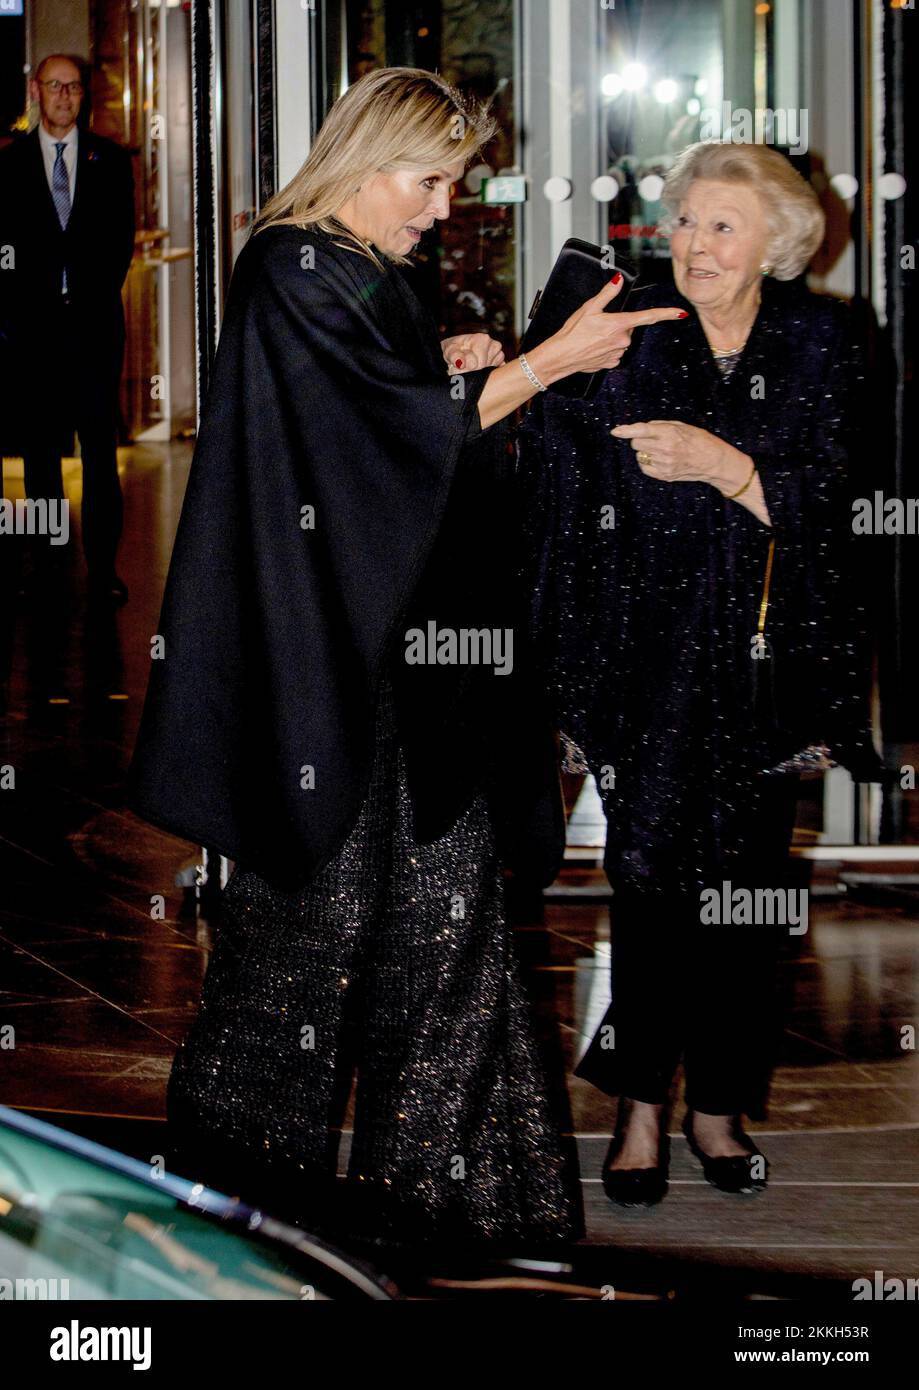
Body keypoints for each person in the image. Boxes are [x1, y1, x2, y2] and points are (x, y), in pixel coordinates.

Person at [125, 67, 687, 1251]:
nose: (441, 206)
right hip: (323, 673)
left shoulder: (365, 272)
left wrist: (453, 368)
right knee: (299, 955)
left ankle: (459, 1215)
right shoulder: (290, 265)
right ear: (369, 158)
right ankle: (230, 1224)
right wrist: (536, 367)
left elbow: (391, 415)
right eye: (429, 180)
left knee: (452, 928)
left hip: (417, 669)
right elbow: (366, 444)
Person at [517, 140, 877, 1208]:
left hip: (769, 671)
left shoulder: (826, 340)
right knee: (648, 884)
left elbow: (857, 504)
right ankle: (637, 1103)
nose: (694, 243)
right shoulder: (630, 338)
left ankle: (716, 1103)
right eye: (683, 222)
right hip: (644, 666)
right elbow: (552, 492)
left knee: (751, 893)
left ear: (781, 241)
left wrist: (732, 468)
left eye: (723, 225)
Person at [0, 53, 134, 604]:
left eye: (73, 87)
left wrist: (88, 296)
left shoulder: (110, 159)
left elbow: (120, 243)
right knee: (40, 458)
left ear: (85, 95)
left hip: (94, 330)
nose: (64, 96)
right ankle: (49, 568)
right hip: (33, 336)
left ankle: (103, 571)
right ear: (36, 90)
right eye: (54, 86)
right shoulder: (8, 166)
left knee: (100, 454)